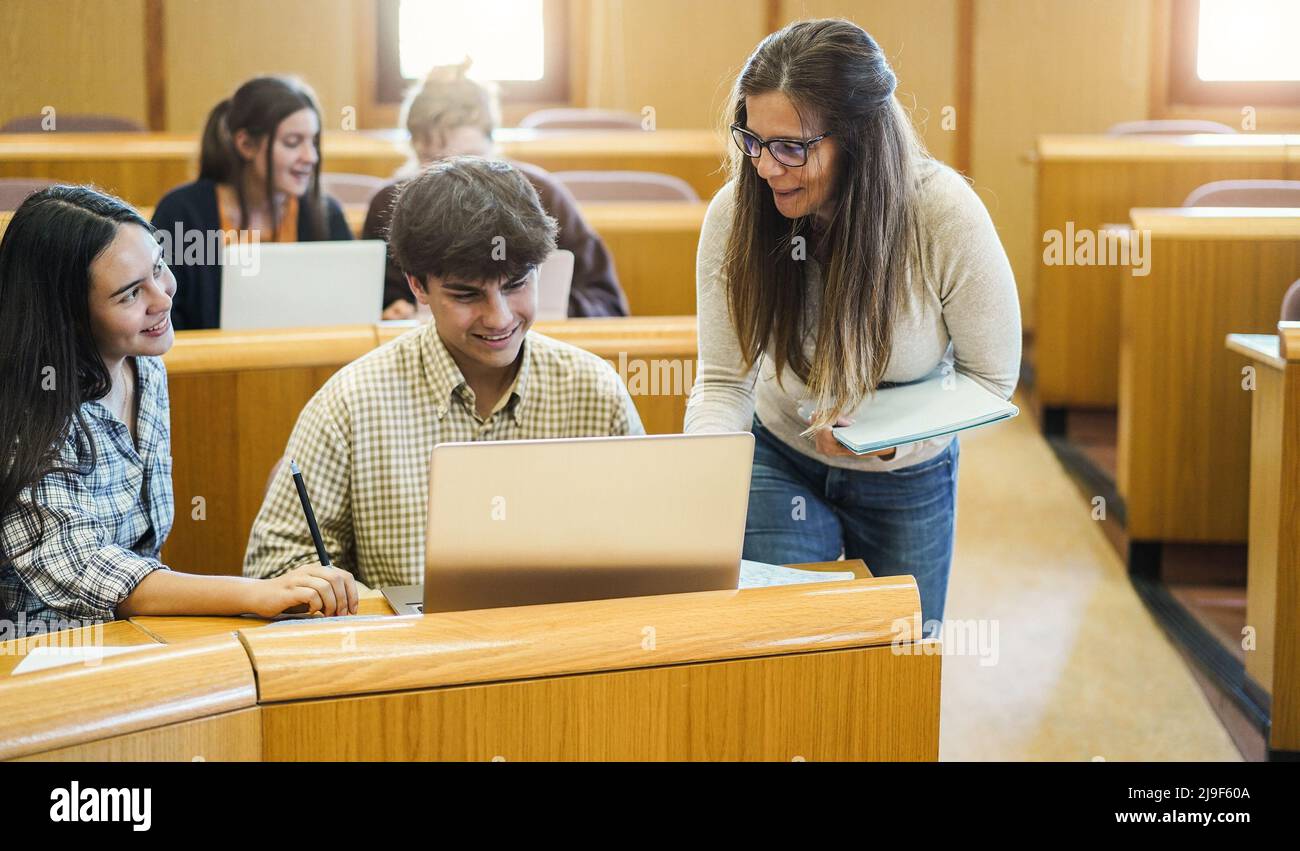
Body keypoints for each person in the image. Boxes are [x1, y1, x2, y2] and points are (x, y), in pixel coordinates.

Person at [685, 20, 1021, 634]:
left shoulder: (942, 214)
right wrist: (706, 468)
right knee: (782, 648)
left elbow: (991, 379)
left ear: (860, 138)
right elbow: (723, 380)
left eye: (790, 147)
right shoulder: (737, 212)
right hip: (781, 452)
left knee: (899, 669)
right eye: (752, 141)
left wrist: (888, 438)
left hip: (906, 476)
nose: (764, 167)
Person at [244, 157, 643, 588]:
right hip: (408, 649)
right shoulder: (351, 403)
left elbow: (646, 545)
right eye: (467, 295)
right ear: (417, 285)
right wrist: (348, 599)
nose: (499, 317)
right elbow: (275, 564)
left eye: (516, 285)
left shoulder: (595, 392)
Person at [0, 186, 358, 636]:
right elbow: (83, 567)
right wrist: (255, 593)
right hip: (38, 654)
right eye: (131, 294)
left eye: (159, 268)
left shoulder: (145, 366)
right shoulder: (25, 403)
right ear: (68, 314)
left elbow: (143, 556)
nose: (164, 298)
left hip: (130, 634)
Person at [363, 62, 628, 320]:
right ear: (414, 152)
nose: (457, 179)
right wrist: (393, 314)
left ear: (493, 146)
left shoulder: (540, 194)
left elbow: (607, 304)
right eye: (435, 163)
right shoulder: (390, 205)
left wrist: (547, 309)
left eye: (472, 160)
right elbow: (367, 303)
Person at [151, 76, 353, 330]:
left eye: (313, 142)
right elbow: (163, 313)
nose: (310, 156)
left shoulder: (325, 213)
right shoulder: (182, 212)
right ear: (246, 144)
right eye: (293, 142)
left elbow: (347, 305)